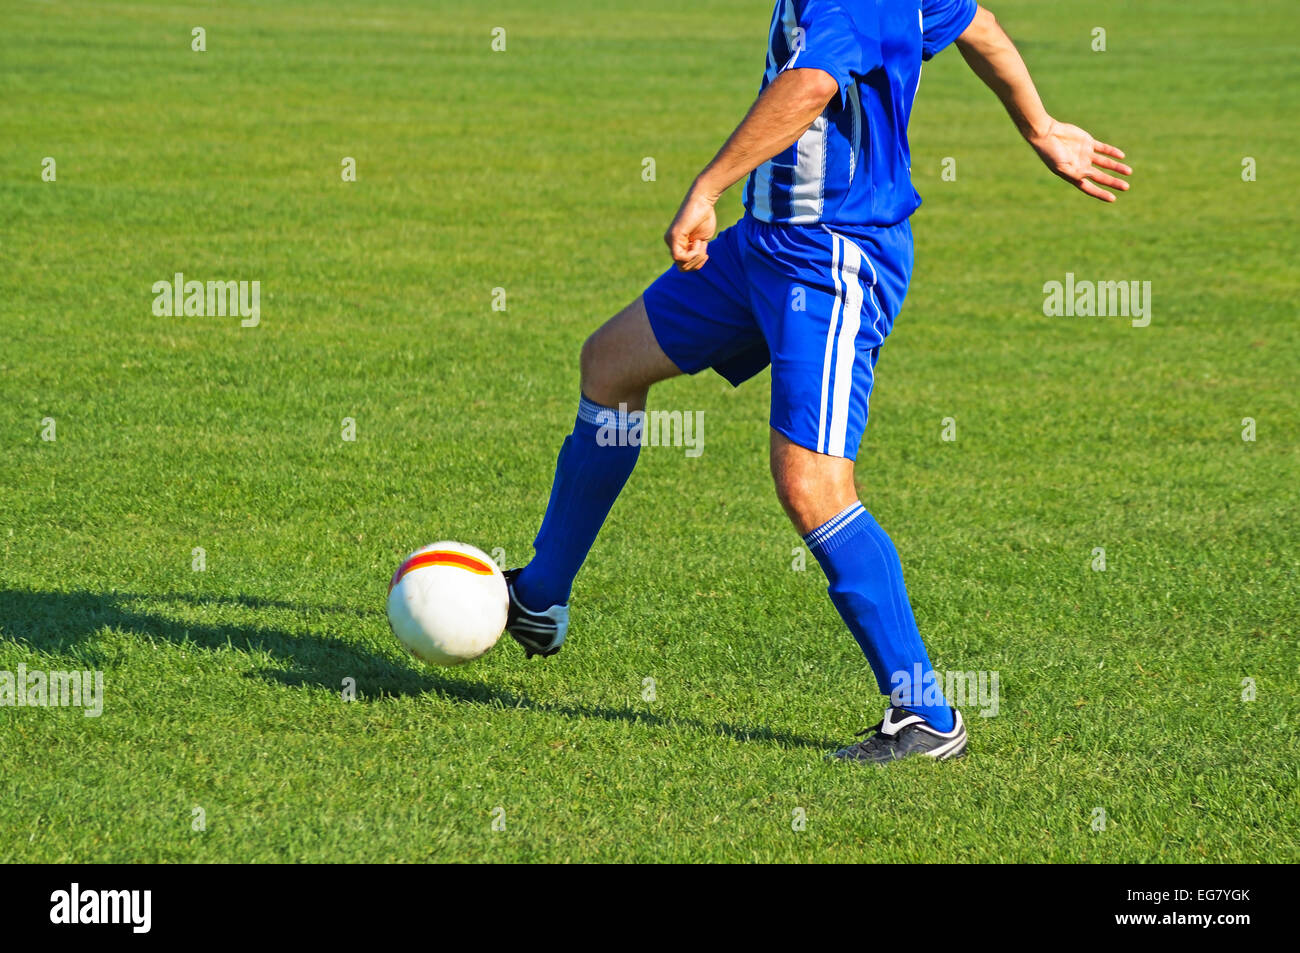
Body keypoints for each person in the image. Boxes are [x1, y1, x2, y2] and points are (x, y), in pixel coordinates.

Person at [503, 1, 1131, 763]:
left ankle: (926, 715)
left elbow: (810, 83)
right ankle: (540, 595)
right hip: (762, 246)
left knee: (812, 485)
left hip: (831, 259)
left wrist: (706, 187)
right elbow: (977, 22)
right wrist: (1040, 125)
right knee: (610, 365)